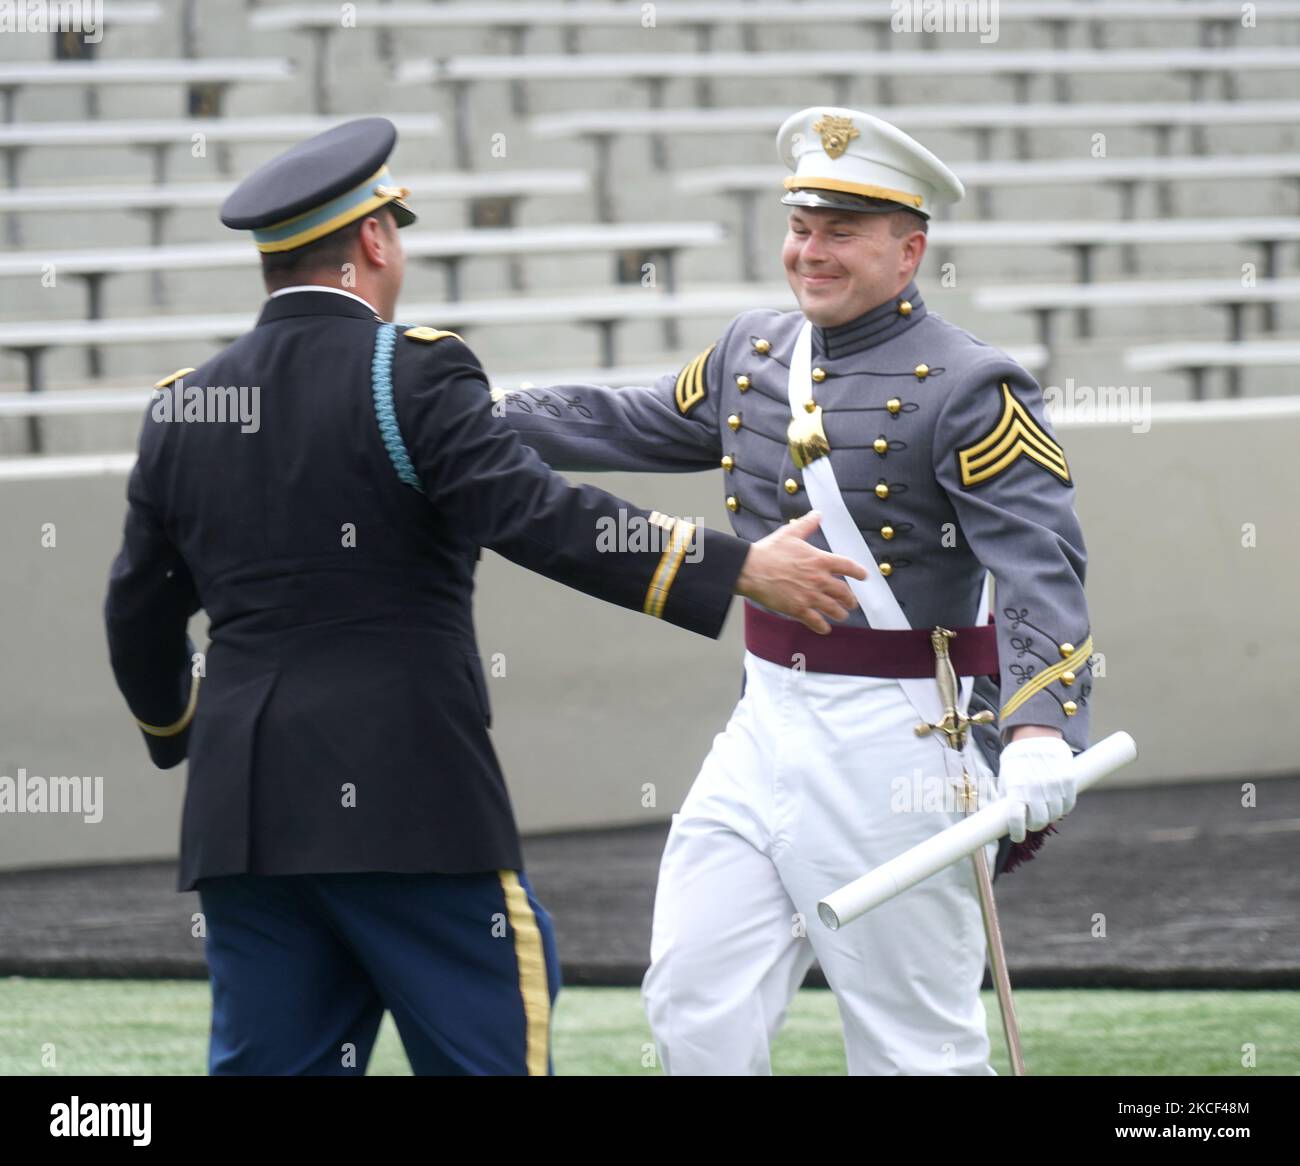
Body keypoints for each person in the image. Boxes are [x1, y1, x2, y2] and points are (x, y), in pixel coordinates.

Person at [102, 116, 867, 1077]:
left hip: (242, 817)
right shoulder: (409, 369)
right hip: (411, 801)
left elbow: (137, 609)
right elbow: (532, 513)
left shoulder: (183, 402)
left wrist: (177, 733)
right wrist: (736, 566)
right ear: (376, 240)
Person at [496, 107, 1094, 1075]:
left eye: (841, 233)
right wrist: (472, 411)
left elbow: (1039, 564)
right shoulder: (754, 350)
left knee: (913, 1044)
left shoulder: (974, 385)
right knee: (693, 1001)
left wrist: (1036, 730)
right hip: (763, 719)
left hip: (902, 736)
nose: (809, 253)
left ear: (910, 250)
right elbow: (623, 419)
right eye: (801, 228)